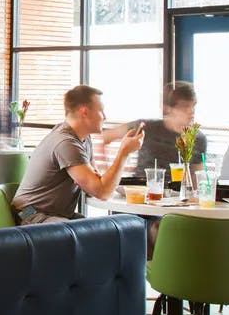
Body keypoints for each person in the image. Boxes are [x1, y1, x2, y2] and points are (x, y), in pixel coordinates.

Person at [12, 85, 145, 224]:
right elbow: (102, 191)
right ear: (84, 111)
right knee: (86, 233)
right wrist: (124, 152)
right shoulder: (66, 143)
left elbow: (96, 184)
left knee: (109, 229)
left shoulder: (83, 139)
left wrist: (92, 182)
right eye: (101, 111)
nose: (105, 117)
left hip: (54, 215)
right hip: (30, 215)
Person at [102, 81, 206, 183]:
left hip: (175, 197)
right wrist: (108, 175)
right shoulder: (146, 127)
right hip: (141, 193)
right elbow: (105, 137)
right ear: (169, 108)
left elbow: (197, 179)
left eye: (193, 106)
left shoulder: (198, 138)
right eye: (185, 106)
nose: (191, 111)